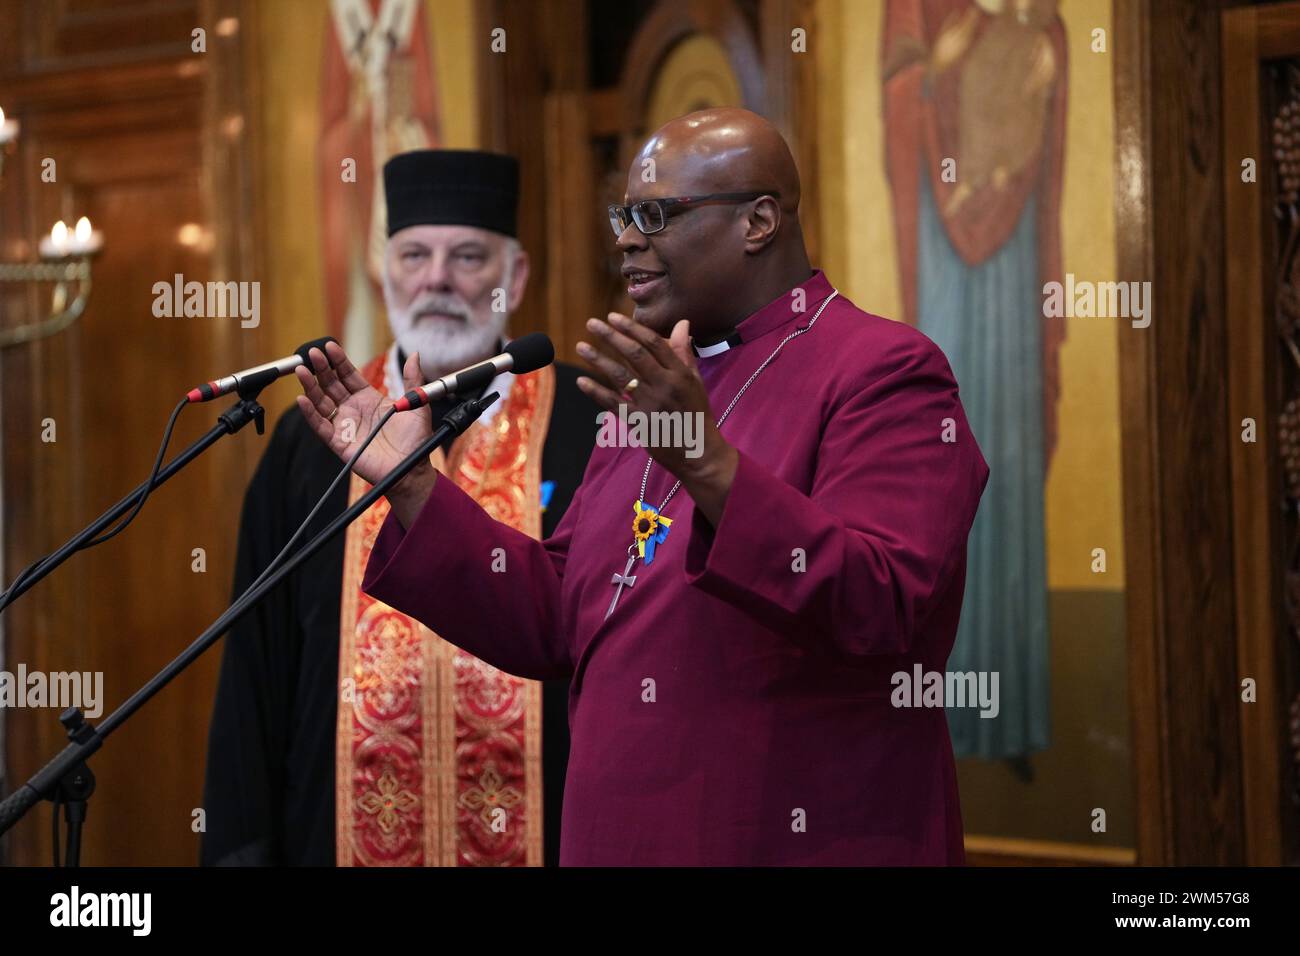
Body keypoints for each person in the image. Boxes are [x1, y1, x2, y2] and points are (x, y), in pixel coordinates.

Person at [295, 110, 989, 865]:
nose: (626, 239)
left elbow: (884, 603)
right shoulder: (661, 383)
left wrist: (705, 461)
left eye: (655, 215)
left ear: (758, 221)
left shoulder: (883, 370)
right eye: (623, 214)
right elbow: (562, 613)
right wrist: (414, 486)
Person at [202, 149, 596, 867]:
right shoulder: (309, 439)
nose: (437, 278)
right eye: (414, 254)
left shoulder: (590, 423)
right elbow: (258, 668)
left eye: (468, 257)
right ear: (385, 273)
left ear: (516, 277)